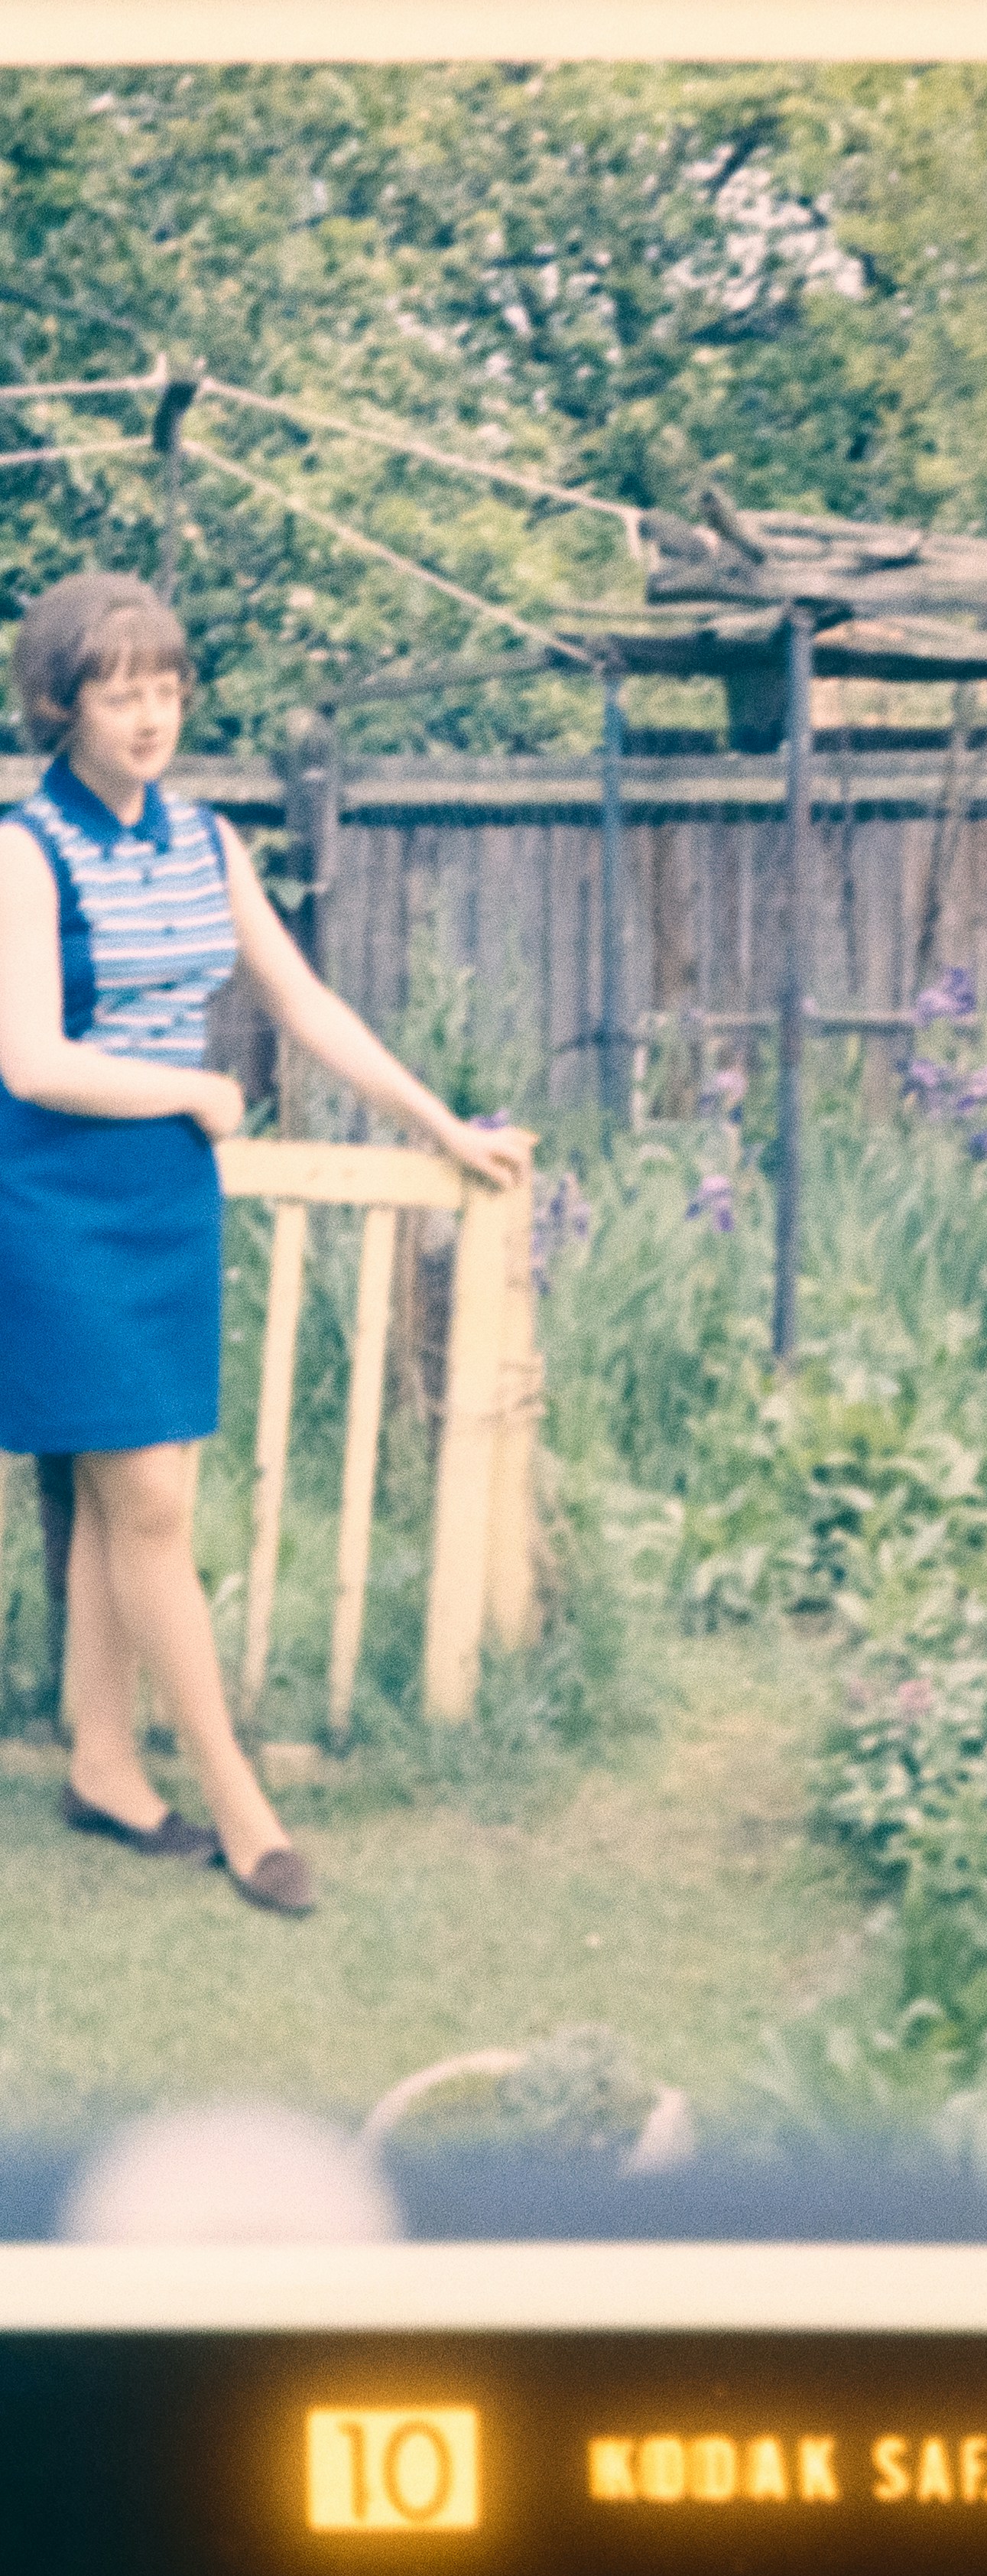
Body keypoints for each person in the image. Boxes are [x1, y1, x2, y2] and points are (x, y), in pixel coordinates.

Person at [1, 572, 527, 1917]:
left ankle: (106, 1765)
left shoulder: (207, 841)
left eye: (166, 687)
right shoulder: (19, 845)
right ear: (60, 702)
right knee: (157, 1506)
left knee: (135, 1497)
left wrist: (441, 1121)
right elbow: (32, 1057)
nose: (149, 713)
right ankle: (240, 1804)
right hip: (58, 1197)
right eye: (119, 691)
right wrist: (187, 1090)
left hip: (167, 1199)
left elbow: (303, 1004)